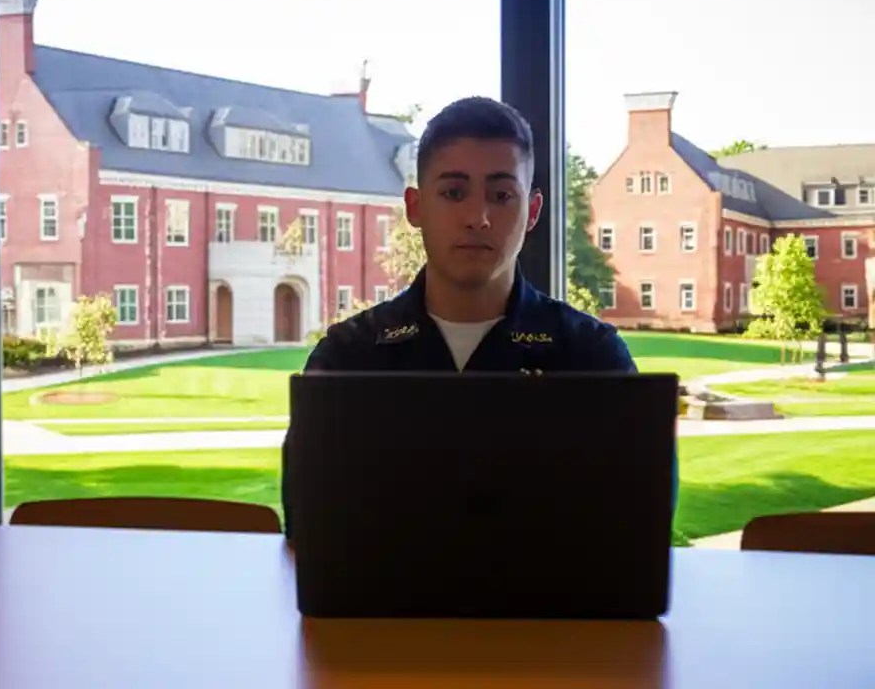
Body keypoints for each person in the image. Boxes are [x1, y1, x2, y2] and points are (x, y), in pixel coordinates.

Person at [281, 96, 674, 539]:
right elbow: (308, 526)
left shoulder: (591, 357)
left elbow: (631, 533)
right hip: (383, 610)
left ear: (533, 212)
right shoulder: (348, 359)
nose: (477, 217)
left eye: (502, 195)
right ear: (415, 207)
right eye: (453, 192)